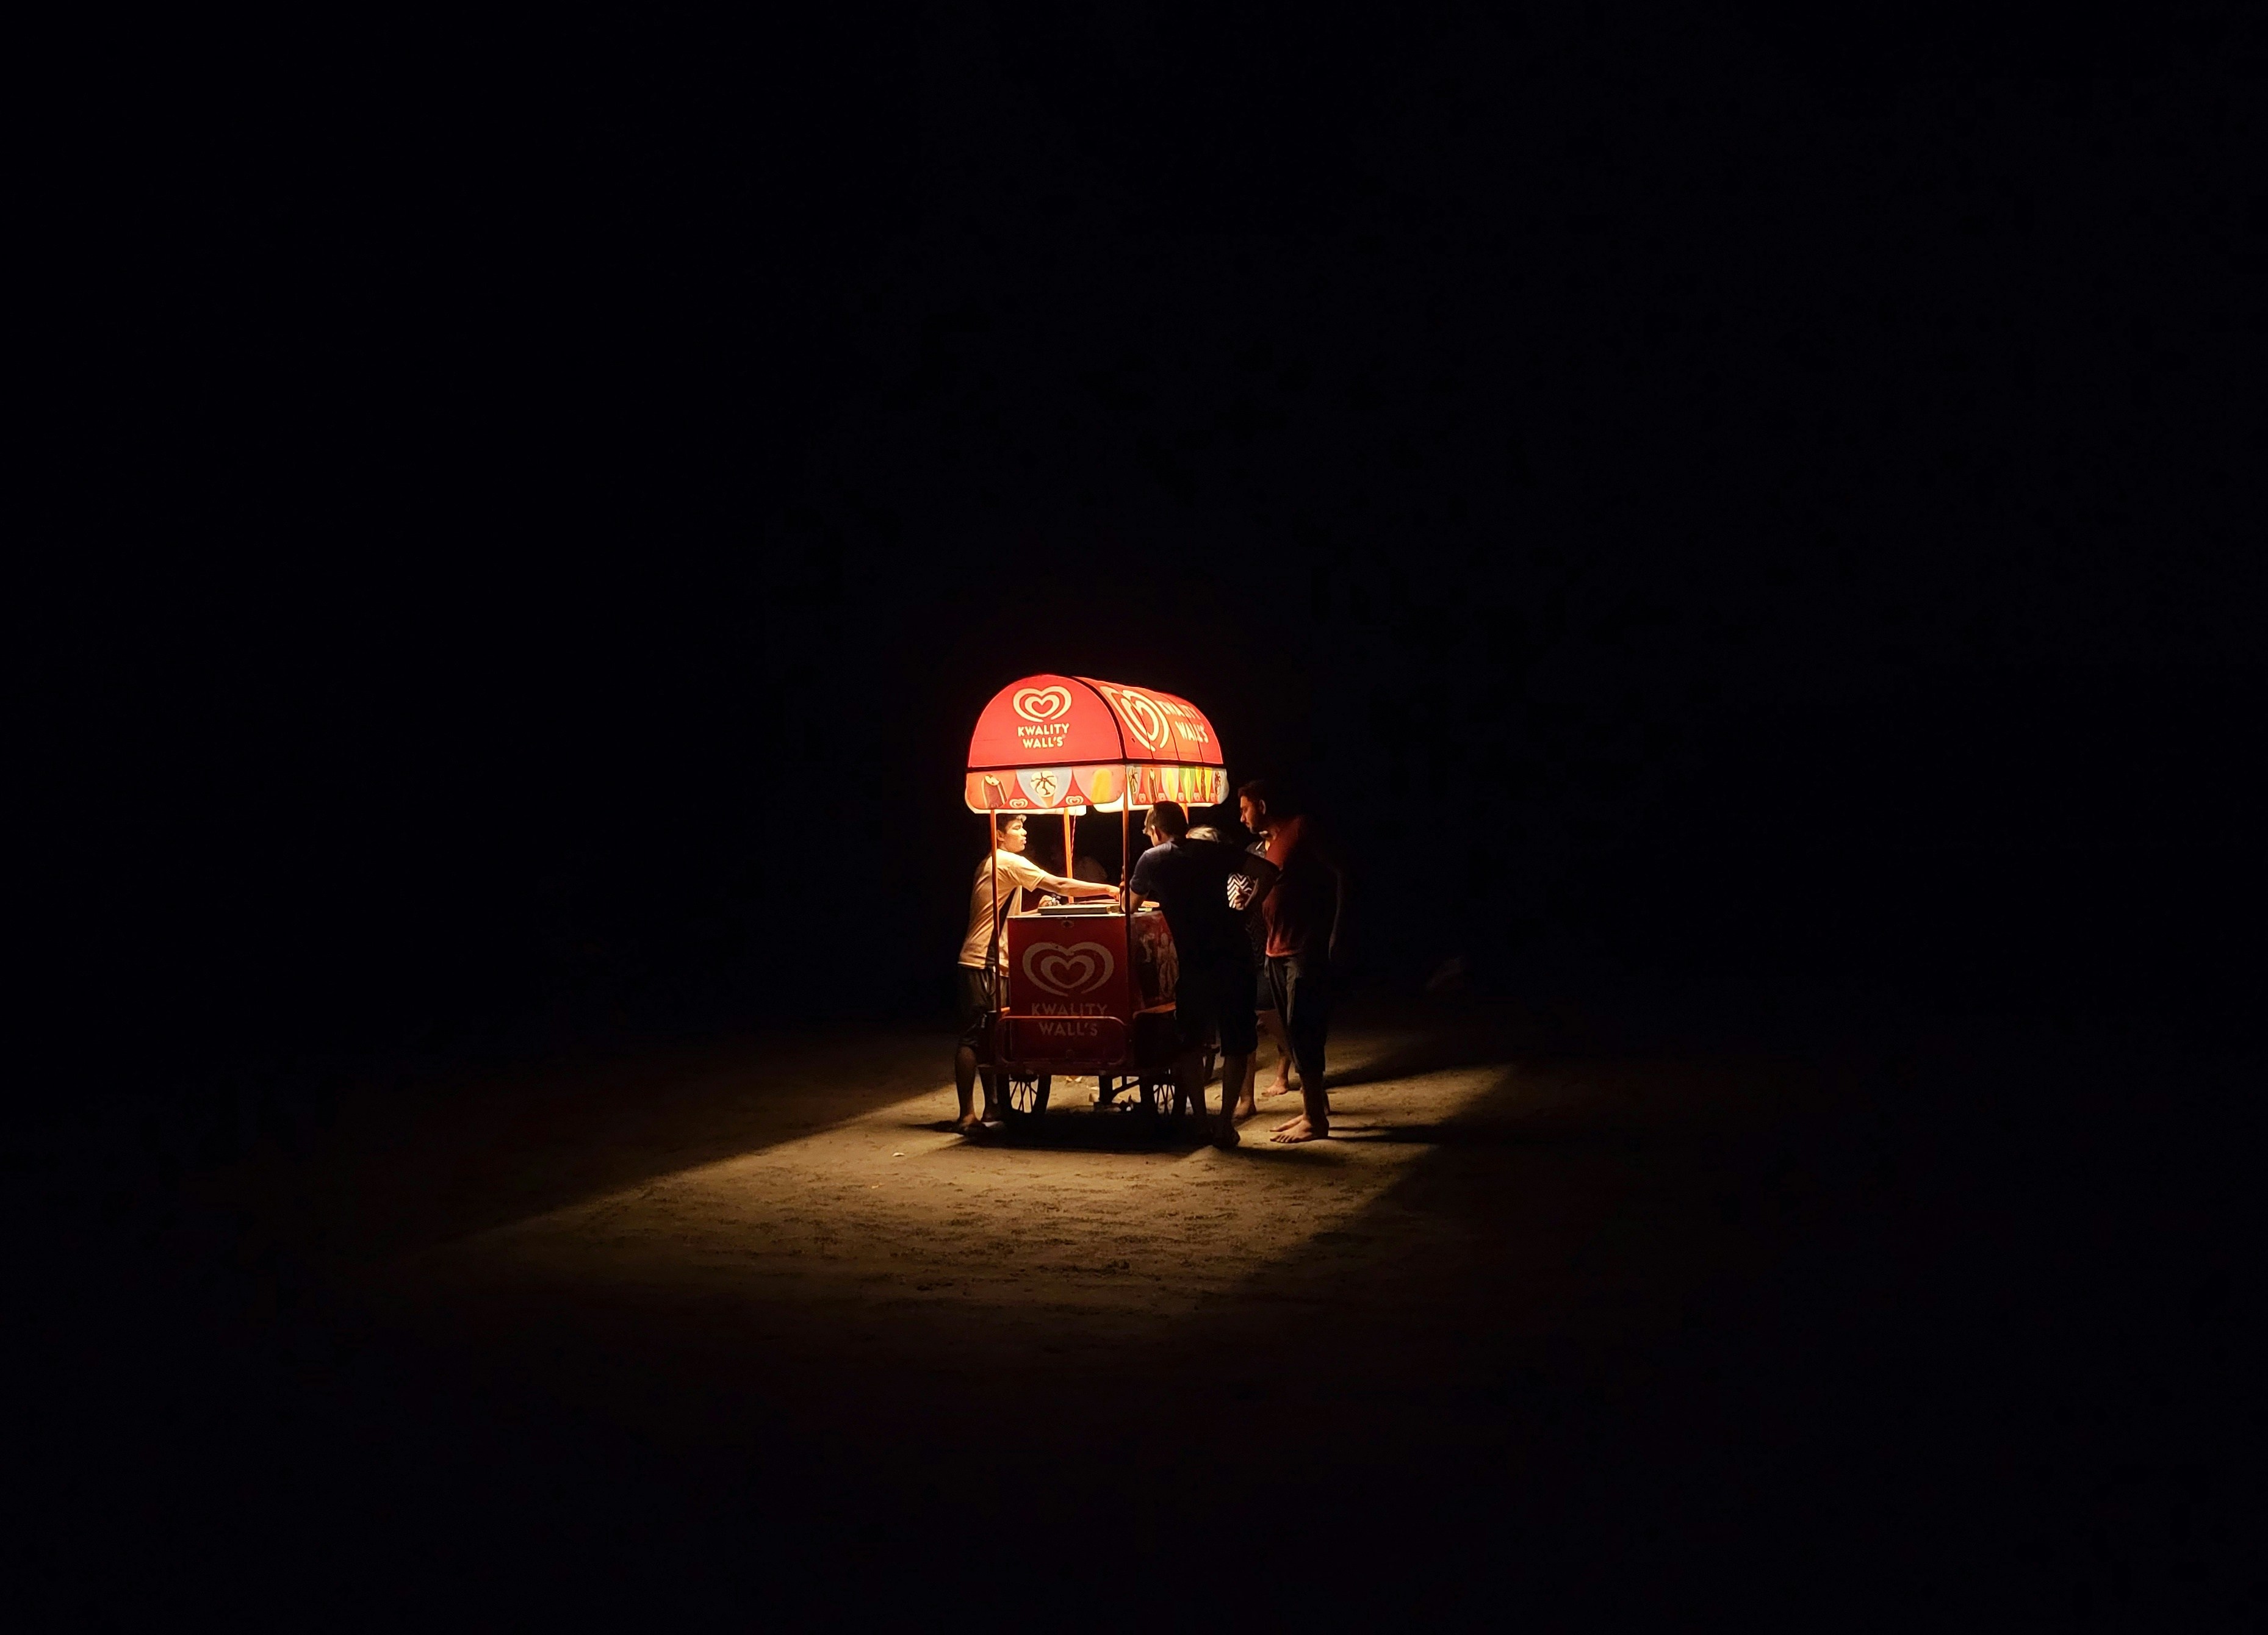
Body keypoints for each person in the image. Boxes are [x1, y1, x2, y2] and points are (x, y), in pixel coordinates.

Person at [1123, 801, 1278, 1147]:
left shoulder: (1153, 859)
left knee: (1191, 1042)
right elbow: (1268, 873)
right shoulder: (1215, 851)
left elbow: (1127, 909)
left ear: (1157, 831)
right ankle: (1225, 1123)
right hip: (1233, 953)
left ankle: (1201, 1121)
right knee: (1237, 1040)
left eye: (1149, 833)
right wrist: (1247, 908)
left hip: (1194, 962)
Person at [954, 813, 1118, 1132]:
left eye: (1024, 826)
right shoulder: (1005, 861)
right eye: (1017, 828)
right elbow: (1058, 882)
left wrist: (1034, 908)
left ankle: (992, 1108)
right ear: (999, 835)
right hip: (980, 962)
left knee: (993, 1037)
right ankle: (966, 1115)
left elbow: (1001, 913)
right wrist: (1108, 890)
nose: (1024, 833)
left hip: (994, 961)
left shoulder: (1000, 863)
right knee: (974, 1038)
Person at [1239, 780, 1345, 1144]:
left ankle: (1316, 1119)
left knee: (1306, 1030)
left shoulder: (1301, 828)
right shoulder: (1266, 846)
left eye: (1245, 808)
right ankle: (1309, 1110)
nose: (1241, 817)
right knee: (1292, 1033)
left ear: (1263, 805)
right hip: (1275, 950)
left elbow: (1341, 873)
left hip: (1303, 947)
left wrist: (1337, 932)